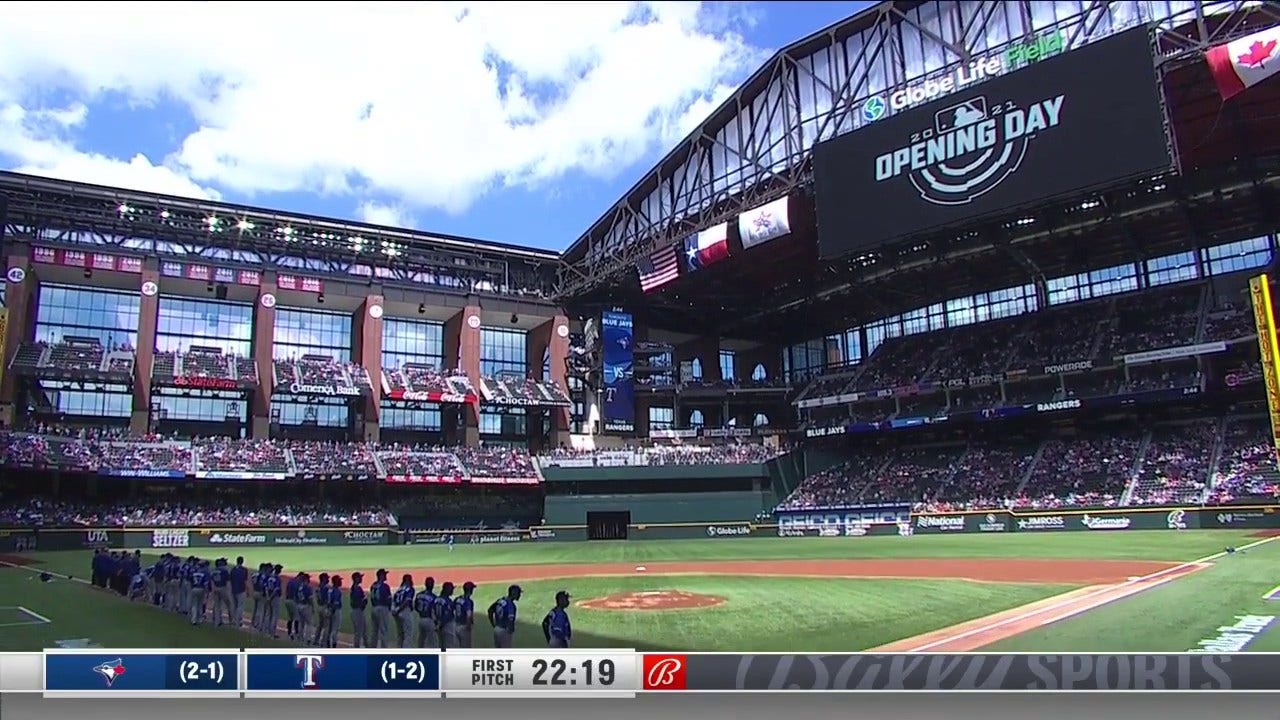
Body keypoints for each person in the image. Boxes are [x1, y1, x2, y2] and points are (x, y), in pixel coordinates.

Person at [487, 584, 521, 648]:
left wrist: (493, 624)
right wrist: (510, 630)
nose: (519, 595)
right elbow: (511, 620)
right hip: (504, 631)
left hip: (497, 629)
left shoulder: (500, 600)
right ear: (514, 594)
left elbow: (490, 610)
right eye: (518, 593)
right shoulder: (511, 605)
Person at [413, 577, 438, 649]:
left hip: (421, 619)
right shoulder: (434, 597)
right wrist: (436, 622)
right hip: (429, 620)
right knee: (432, 641)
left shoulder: (419, 595)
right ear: (433, 585)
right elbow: (434, 611)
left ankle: (420, 653)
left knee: (421, 639)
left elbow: (416, 607)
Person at [393, 573, 416, 648]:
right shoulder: (410, 589)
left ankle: (399, 651)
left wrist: (395, 610)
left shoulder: (398, 590)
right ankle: (406, 652)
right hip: (404, 611)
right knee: (408, 634)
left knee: (400, 634)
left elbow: (393, 600)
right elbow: (407, 601)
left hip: (396, 611)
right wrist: (399, 609)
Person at [349, 571, 369, 648]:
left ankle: (366, 646)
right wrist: (364, 602)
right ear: (356, 578)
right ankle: (356, 648)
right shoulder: (356, 588)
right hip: (357, 611)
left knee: (363, 630)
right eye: (360, 577)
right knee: (359, 631)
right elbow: (357, 602)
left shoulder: (355, 587)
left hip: (357, 611)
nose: (361, 578)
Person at [455, 581, 476, 648]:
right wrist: (468, 626)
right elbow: (469, 615)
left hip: (456, 625)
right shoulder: (468, 602)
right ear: (470, 590)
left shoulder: (457, 599)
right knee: (466, 648)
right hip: (464, 626)